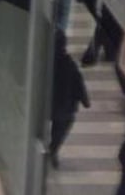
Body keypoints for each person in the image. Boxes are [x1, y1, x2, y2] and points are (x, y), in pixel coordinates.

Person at [50, 31, 90, 168]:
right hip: (64, 107)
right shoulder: (69, 65)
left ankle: (52, 149)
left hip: (46, 105)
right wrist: (85, 101)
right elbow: (79, 84)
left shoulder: (43, 63)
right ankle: (53, 149)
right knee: (60, 128)